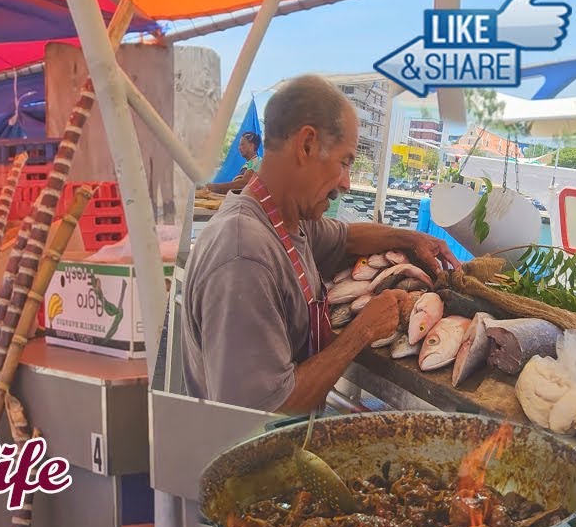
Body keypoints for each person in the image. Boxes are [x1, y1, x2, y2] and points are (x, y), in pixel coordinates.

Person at [179, 75, 460, 414]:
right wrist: (363, 330)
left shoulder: (285, 222)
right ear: (307, 145)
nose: (346, 183)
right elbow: (263, 414)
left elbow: (348, 237)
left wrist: (413, 239)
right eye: (345, 162)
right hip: (253, 459)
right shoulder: (245, 254)